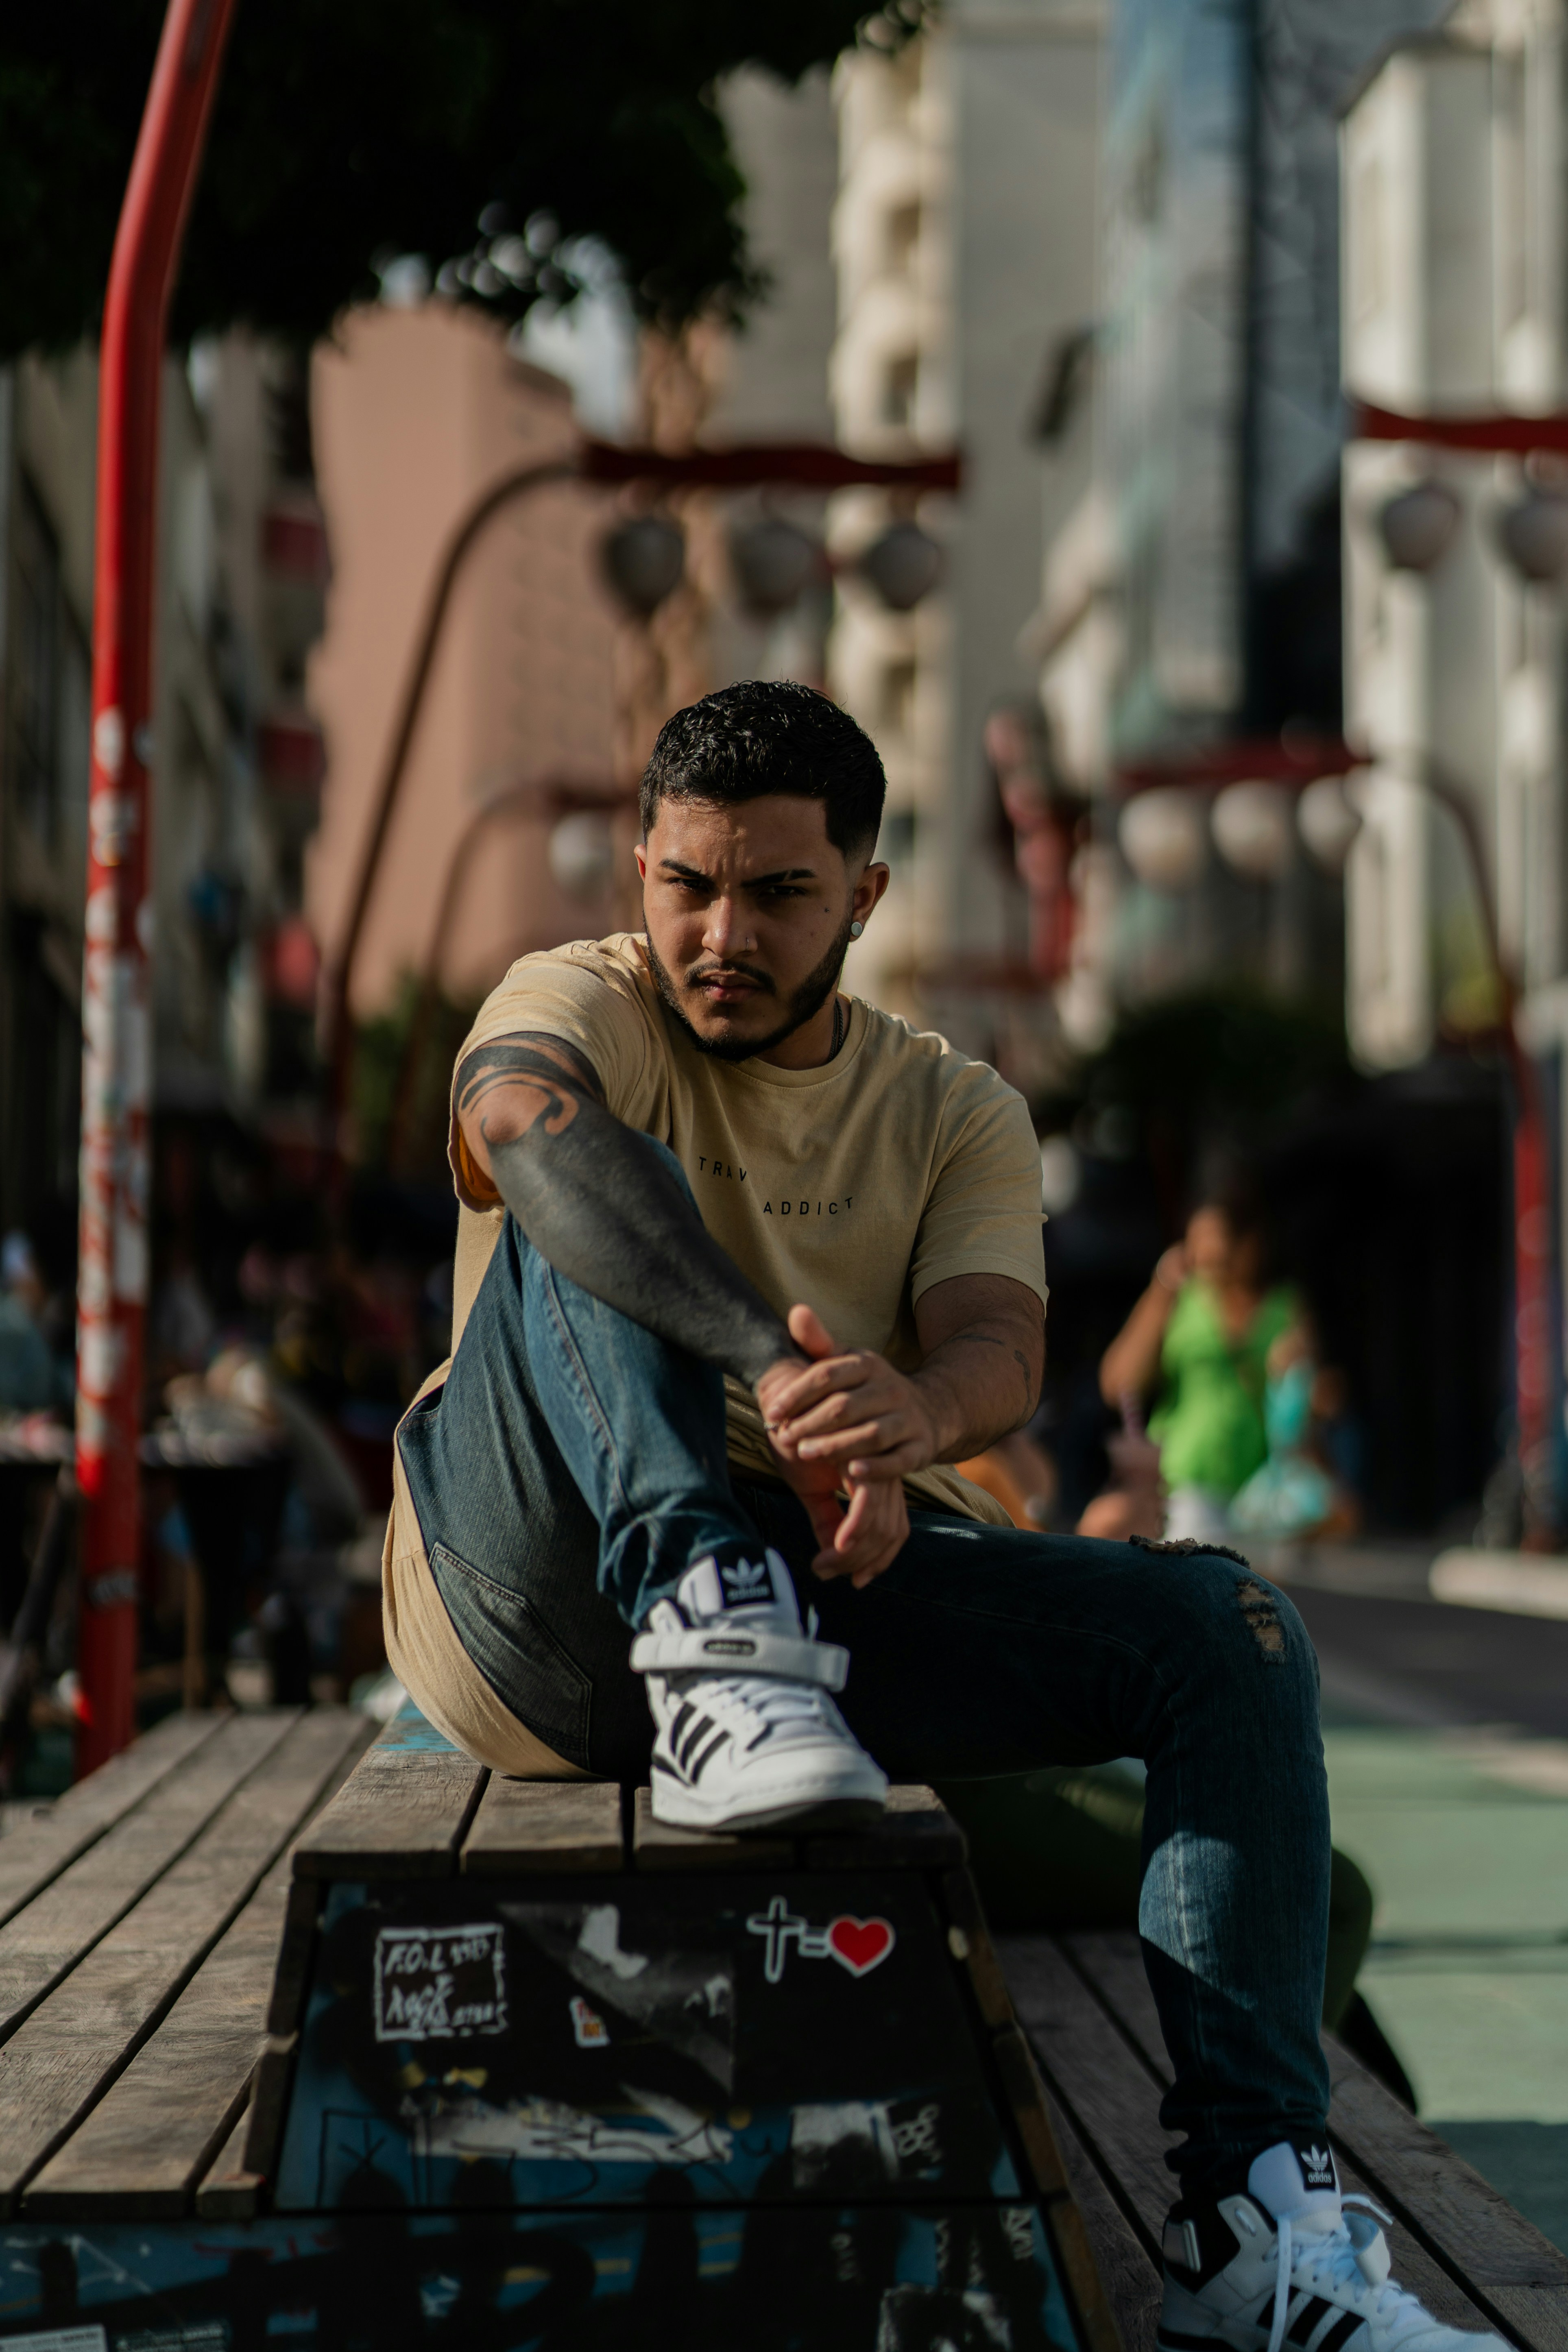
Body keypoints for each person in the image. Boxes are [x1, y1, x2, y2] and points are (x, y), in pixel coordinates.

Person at [386, 681, 1496, 2352]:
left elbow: (999, 1338)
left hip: (817, 1602)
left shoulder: (952, 1103)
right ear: (640, 874)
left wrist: (910, 1415)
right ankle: (704, 1607)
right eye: (686, 884)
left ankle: (1250, 2218)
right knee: (590, 1172)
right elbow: (518, 1120)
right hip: (528, 1594)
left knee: (1227, 1629)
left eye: (778, 893)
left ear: (867, 897)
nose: (720, 932)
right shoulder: (578, 1000)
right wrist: (772, 1366)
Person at [1099, 1197, 1303, 1544]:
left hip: (1257, 1492)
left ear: (1248, 1245)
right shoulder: (1180, 1299)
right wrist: (1160, 1289)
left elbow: (1298, 1399)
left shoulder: (1282, 1309)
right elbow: (1118, 1383)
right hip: (1185, 1484)